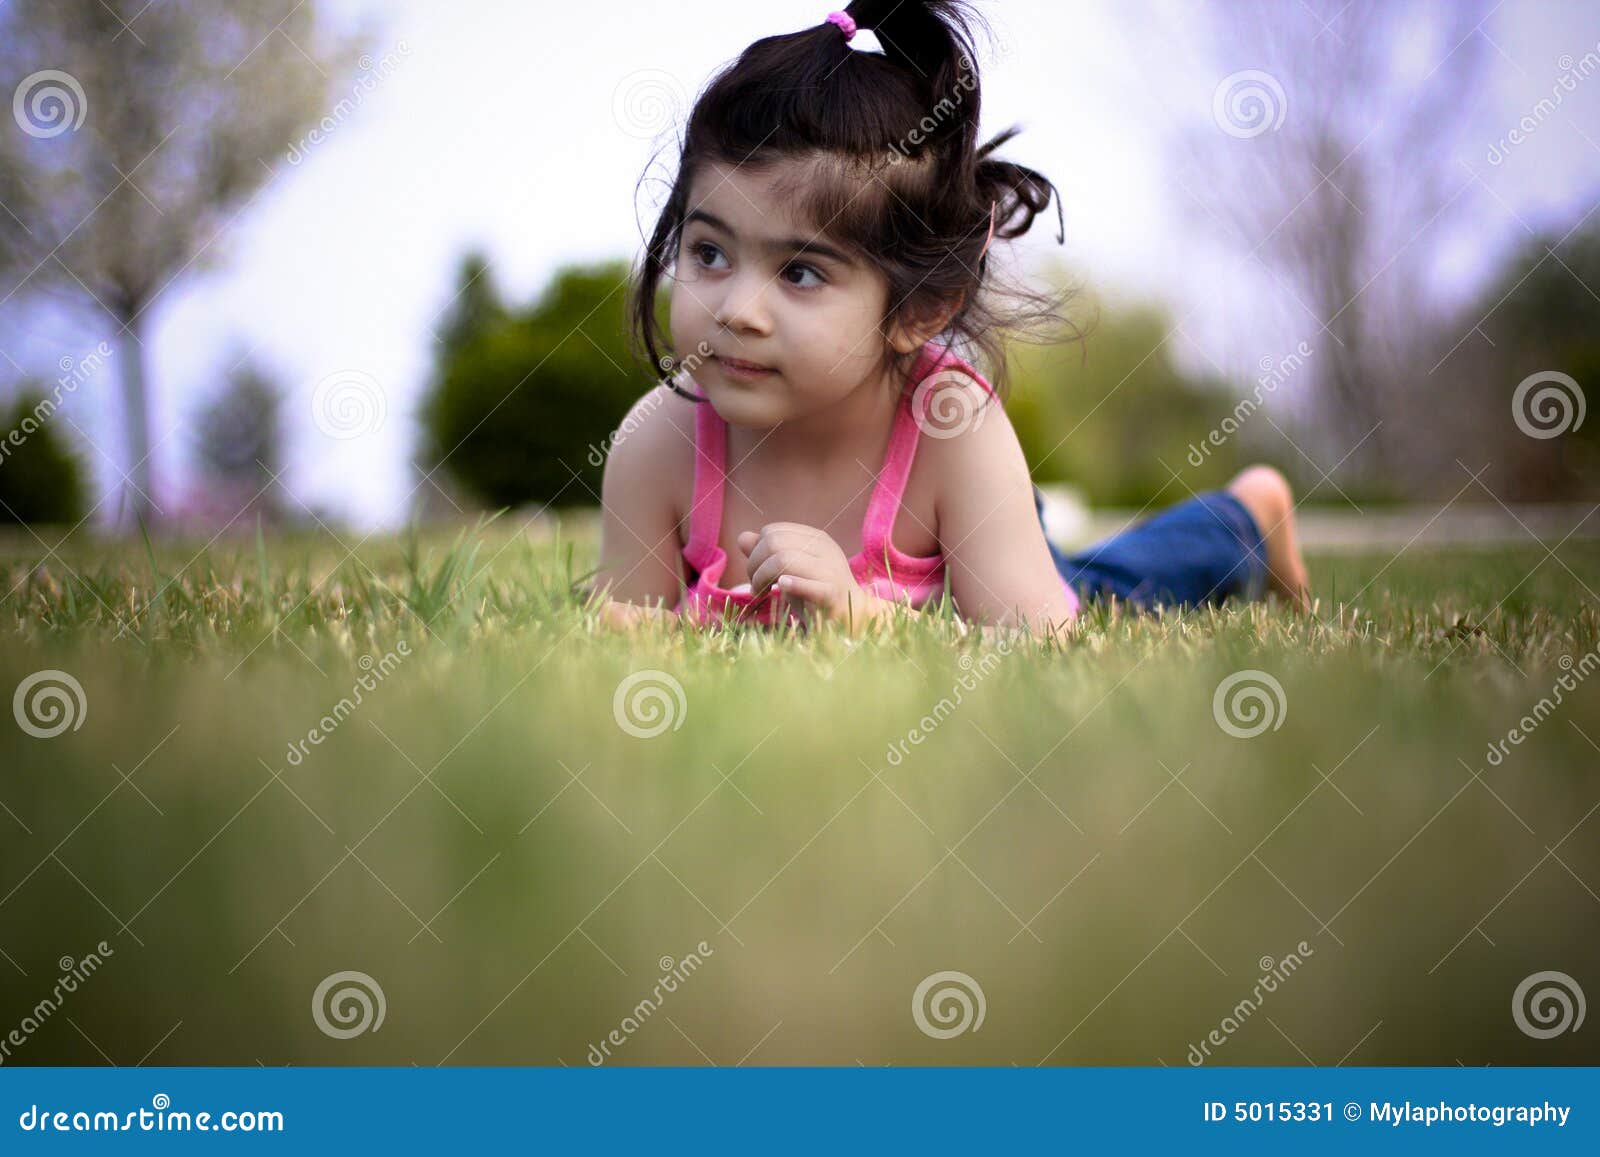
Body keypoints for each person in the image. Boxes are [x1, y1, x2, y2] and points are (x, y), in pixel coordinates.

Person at [593, 0, 1310, 639]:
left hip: (983, 516)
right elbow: (635, 623)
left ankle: (1250, 516)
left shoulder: (951, 422)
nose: (736, 311)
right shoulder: (657, 442)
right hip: (972, 528)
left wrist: (862, 614)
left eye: (800, 272)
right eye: (710, 252)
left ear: (920, 310)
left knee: (1109, 590)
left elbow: (1041, 643)